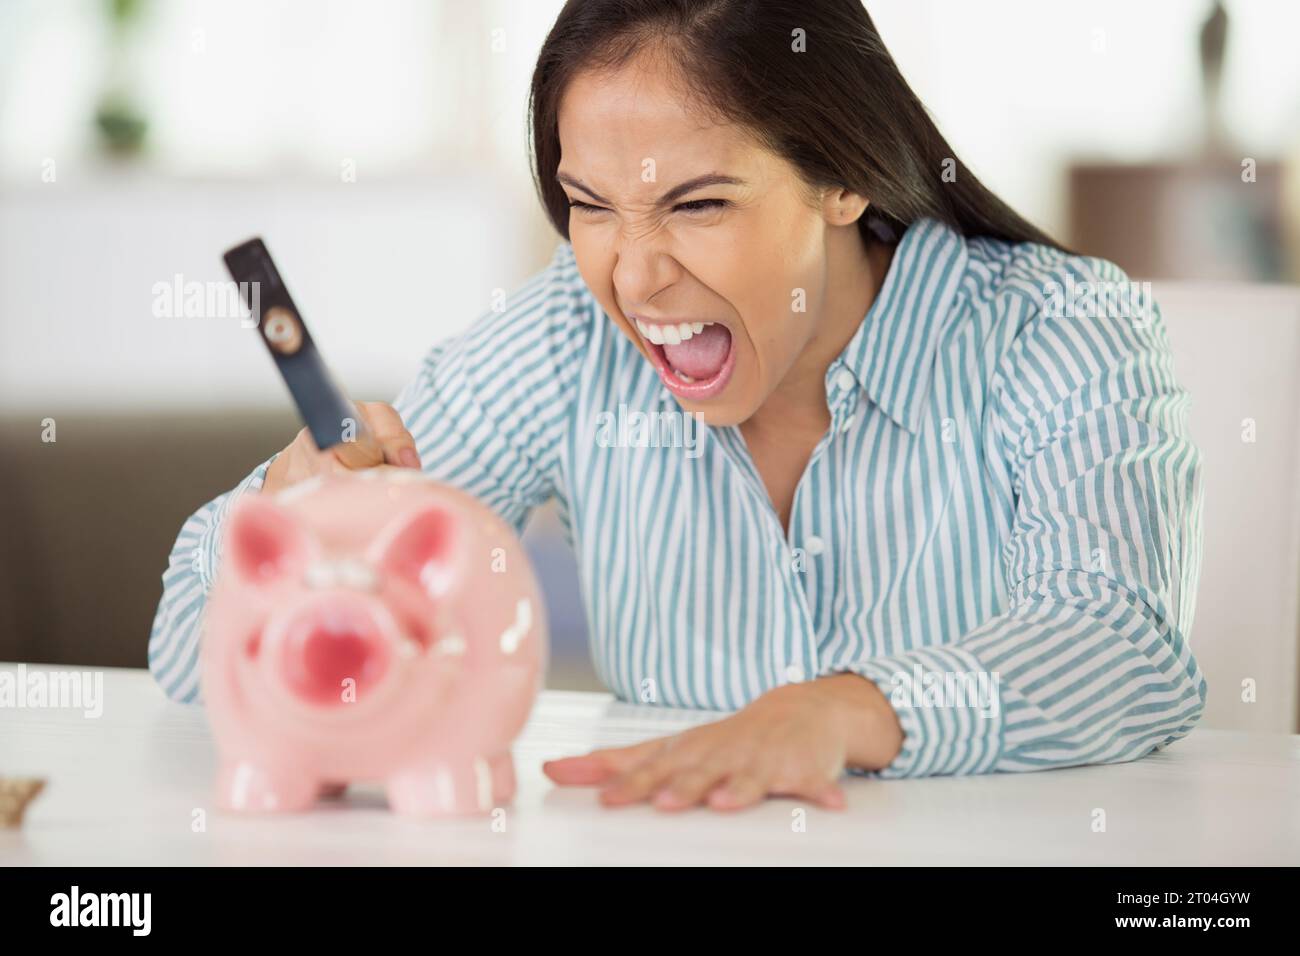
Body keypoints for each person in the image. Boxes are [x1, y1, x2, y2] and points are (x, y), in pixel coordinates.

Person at [149, 0, 1206, 813]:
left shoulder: (1058, 328)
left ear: (846, 177)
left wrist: (840, 710)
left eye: (696, 204)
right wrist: (301, 551)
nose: (634, 277)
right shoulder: (567, 333)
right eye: (590, 206)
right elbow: (187, 628)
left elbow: (1122, 640)